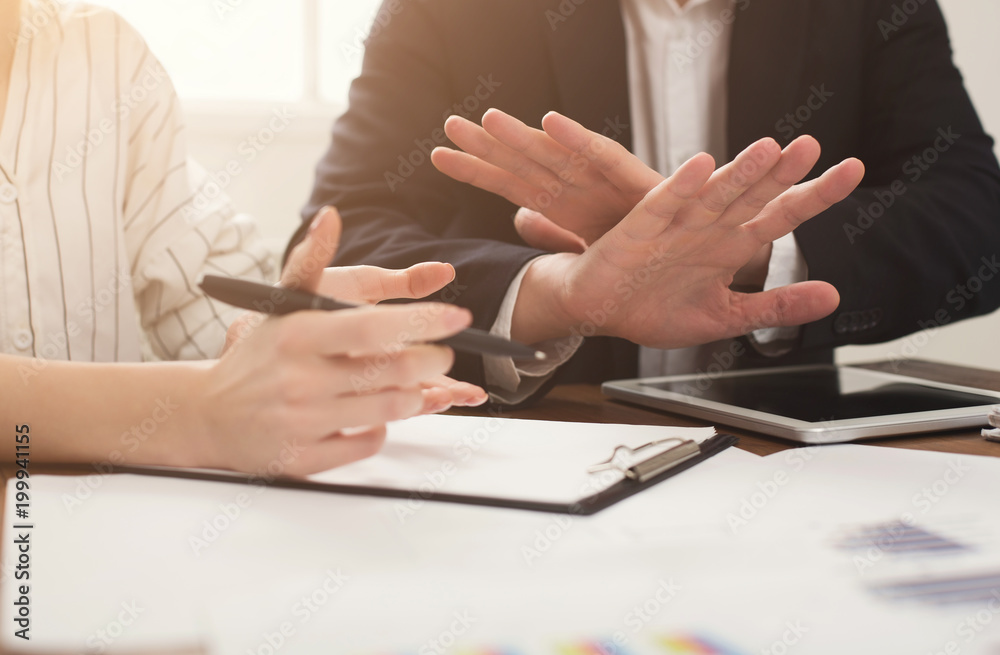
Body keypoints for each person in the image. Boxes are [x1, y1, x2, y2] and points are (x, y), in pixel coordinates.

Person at [294, 0, 1000, 405]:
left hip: (788, 466)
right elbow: (335, 242)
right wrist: (561, 293)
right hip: (530, 460)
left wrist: (754, 254)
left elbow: (978, 220)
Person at [0, 1, 486, 474]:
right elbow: (211, 398)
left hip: (108, 525)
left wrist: (274, 343)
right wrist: (197, 410)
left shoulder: (101, 53)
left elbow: (196, 301)